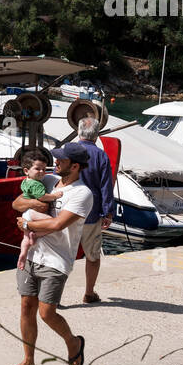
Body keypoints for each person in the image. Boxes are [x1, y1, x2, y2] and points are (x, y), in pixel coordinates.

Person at [7, 143, 93, 365]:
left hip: (57, 260)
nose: (56, 162)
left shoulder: (82, 193)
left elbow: (58, 224)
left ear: (74, 166)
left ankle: (73, 342)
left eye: (61, 160)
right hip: (32, 254)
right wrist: (36, 204)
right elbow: (17, 203)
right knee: (26, 307)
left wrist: (27, 224)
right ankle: (28, 362)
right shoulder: (46, 181)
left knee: (47, 313)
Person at [73, 117, 115, 303]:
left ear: (78, 131)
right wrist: (107, 212)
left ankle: (54, 296)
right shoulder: (101, 156)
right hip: (92, 212)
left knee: (64, 254)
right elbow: (106, 186)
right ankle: (89, 293)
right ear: (97, 135)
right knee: (92, 255)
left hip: (70, 211)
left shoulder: (69, 152)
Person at [15, 152, 63, 272]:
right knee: (53, 223)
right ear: (26, 171)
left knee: (25, 238)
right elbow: (42, 197)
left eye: (44, 169)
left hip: (26, 213)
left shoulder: (26, 181)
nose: (42, 172)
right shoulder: (37, 184)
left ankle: (23, 253)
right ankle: (36, 235)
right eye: (38, 169)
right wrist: (54, 196)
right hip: (32, 213)